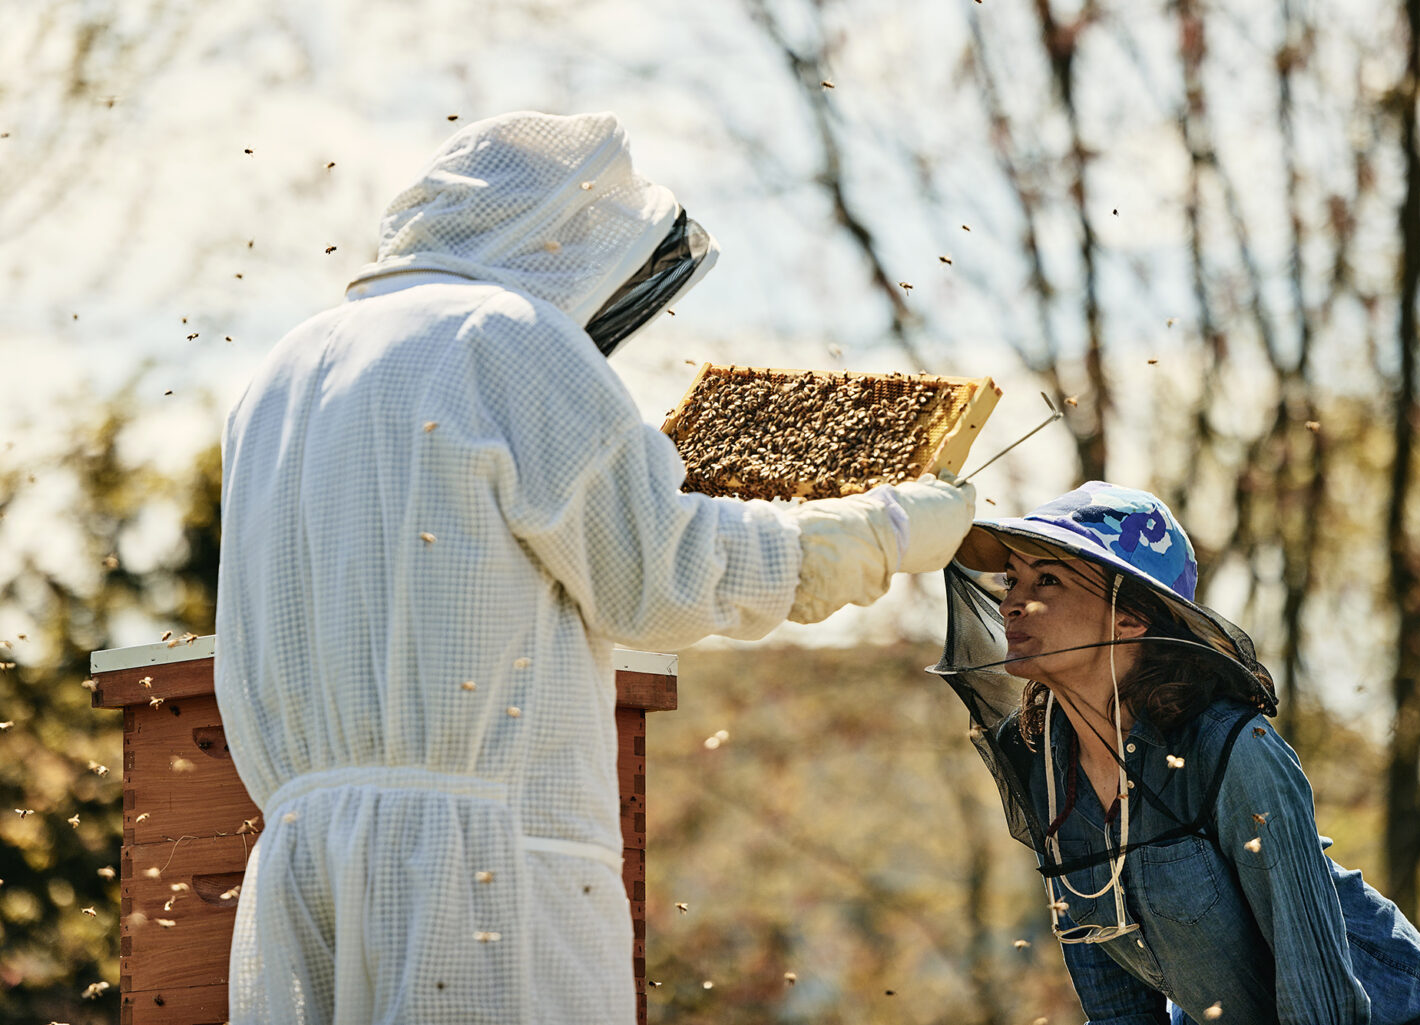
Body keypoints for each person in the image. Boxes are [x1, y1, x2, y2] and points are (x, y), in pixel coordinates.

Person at [214, 110, 975, 1025]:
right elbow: (668, 575)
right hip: (481, 874)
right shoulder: (504, 337)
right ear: (562, 234)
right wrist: (881, 532)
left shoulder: (282, 370)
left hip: (302, 865)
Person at [935, 481, 1420, 1024]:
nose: (1011, 603)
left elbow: (1320, 997)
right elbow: (1117, 1004)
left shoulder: (1232, 747)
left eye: (1046, 579)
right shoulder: (1043, 763)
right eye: (1012, 579)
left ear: (1130, 617)